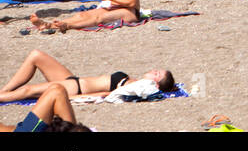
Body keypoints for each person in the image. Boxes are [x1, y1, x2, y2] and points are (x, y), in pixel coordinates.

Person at [0, 49, 173, 103]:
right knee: (36, 55)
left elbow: (104, 96)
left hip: (75, 88)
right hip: (73, 80)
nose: (153, 69)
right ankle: (4, 92)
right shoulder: (135, 82)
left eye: (156, 73)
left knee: (28, 90)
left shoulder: (137, 88)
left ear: (155, 83)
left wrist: (75, 98)